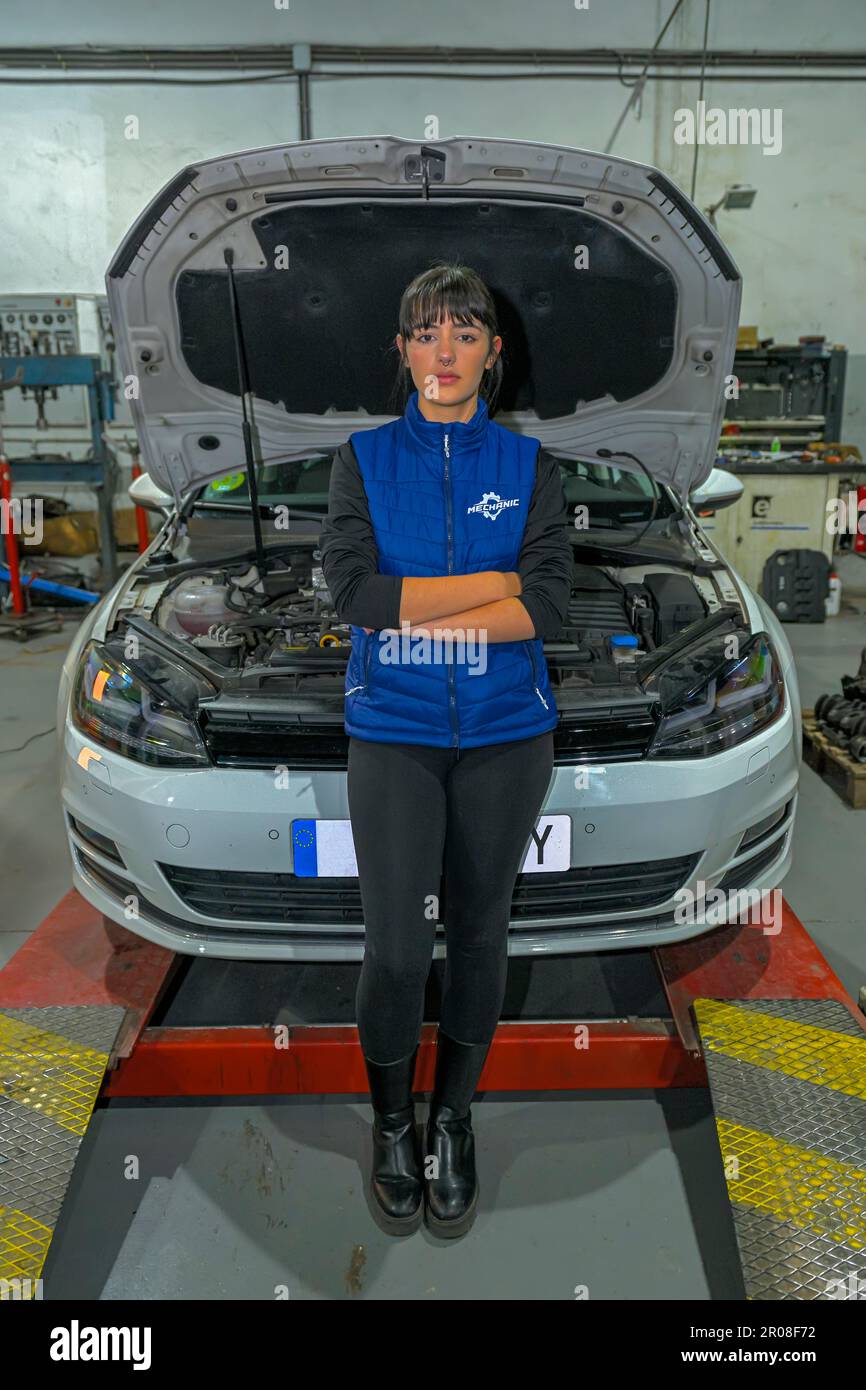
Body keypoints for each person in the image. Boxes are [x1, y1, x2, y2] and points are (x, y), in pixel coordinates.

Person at [319, 262, 573, 1239]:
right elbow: (355, 598)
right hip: (395, 733)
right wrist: (489, 583)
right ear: (401, 349)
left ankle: (451, 1121)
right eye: (426, 332)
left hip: (508, 737)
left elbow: (544, 607)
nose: (444, 352)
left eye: (464, 333)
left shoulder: (529, 468)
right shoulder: (363, 458)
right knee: (391, 949)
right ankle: (392, 1123)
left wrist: (429, 602)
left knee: (477, 935)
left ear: (491, 354)